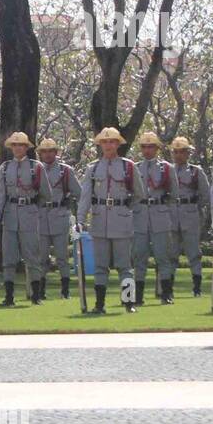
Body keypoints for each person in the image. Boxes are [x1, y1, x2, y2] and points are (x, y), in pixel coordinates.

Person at [76, 127, 147, 314]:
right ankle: (99, 304)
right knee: (100, 266)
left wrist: (125, 207)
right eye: (104, 142)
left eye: (111, 141)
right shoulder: (92, 168)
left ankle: (128, 302)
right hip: (99, 220)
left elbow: (139, 194)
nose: (108, 145)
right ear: (100, 145)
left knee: (124, 265)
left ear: (117, 144)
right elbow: (85, 197)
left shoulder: (128, 166)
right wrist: (80, 221)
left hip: (121, 219)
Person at [0, 131, 51, 306]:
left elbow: (45, 194)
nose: (18, 148)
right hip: (10, 215)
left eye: (21, 145)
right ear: (11, 148)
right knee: (9, 257)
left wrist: (32, 207)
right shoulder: (4, 168)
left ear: (26, 148)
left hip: (30, 214)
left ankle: (35, 294)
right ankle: (9, 296)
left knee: (32, 255)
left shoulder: (36, 167)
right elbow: (0, 196)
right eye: (15, 145)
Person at [132, 132, 180, 305]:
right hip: (140, 214)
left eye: (151, 146)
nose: (147, 150)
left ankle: (166, 293)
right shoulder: (134, 167)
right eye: (144, 146)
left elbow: (174, 193)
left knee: (163, 256)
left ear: (157, 148)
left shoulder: (167, 168)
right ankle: (138, 296)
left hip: (160, 214)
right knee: (139, 256)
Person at [35, 138, 79, 300]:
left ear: (56, 152)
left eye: (50, 151)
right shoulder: (35, 170)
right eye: (44, 151)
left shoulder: (65, 171)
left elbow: (78, 193)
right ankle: (40, 290)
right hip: (41, 215)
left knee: (62, 256)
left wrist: (76, 216)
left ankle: (65, 290)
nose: (47, 154)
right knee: (42, 257)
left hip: (59, 214)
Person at [168, 136, 209, 297]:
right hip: (172, 214)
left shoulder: (195, 171)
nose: (178, 155)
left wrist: (194, 207)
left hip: (190, 214)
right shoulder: (167, 170)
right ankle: (168, 287)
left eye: (182, 152)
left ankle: (197, 287)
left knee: (193, 253)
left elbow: (205, 195)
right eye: (175, 152)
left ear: (187, 153)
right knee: (171, 253)